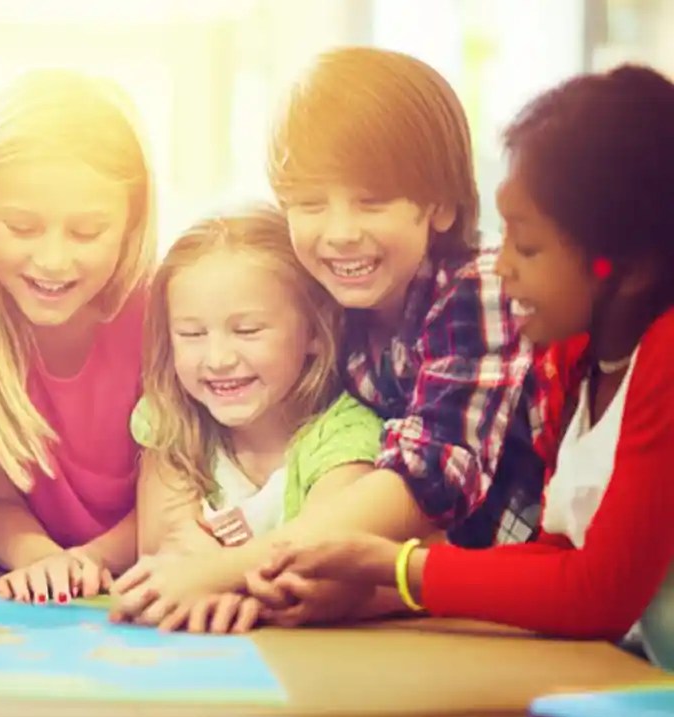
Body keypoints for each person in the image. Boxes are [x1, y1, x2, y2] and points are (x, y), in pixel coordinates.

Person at [246, 65, 674, 671]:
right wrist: (382, 589)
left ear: (631, 268)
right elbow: (554, 557)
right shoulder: (576, 368)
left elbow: (597, 594)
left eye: (526, 247)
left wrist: (395, 569)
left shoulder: (666, 358)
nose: (501, 269)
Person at [112, 47, 542, 628]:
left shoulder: (478, 287)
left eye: (372, 201)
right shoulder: (340, 308)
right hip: (427, 587)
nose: (340, 233)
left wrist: (231, 569)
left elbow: (428, 482)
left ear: (437, 205)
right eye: (311, 203)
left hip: (533, 578)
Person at [128, 207, 382, 630]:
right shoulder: (170, 417)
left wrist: (218, 579)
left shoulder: (347, 436)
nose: (218, 359)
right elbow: (160, 547)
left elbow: (322, 563)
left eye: (247, 330)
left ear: (316, 332)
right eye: (191, 334)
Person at [0, 69, 157, 603]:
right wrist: (39, 557)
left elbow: (181, 489)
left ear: (131, 223)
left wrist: (90, 560)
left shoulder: (166, 315)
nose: (51, 259)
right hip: (27, 580)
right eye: (21, 228)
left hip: (144, 573)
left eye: (87, 232)